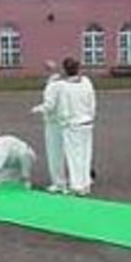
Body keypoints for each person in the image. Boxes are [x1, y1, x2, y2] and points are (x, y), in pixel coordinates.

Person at [45, 57, 96, 195]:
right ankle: (85, 183)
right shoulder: (86, 82)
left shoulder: (62, 86)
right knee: (85, 154)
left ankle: (77, 186)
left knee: (75, 156)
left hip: (72, 124)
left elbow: (53, 105)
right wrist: (91, 116)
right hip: (86, 122)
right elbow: (92, 102)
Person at [30, 60, 68, 193]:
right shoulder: (66, 83)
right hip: (67, 120)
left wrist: (37, 109)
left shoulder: (53, 85)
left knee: (55, 153)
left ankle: (59, 183)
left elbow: (49, 106)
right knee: (71, 152)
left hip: (54, 122)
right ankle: (78, 179)